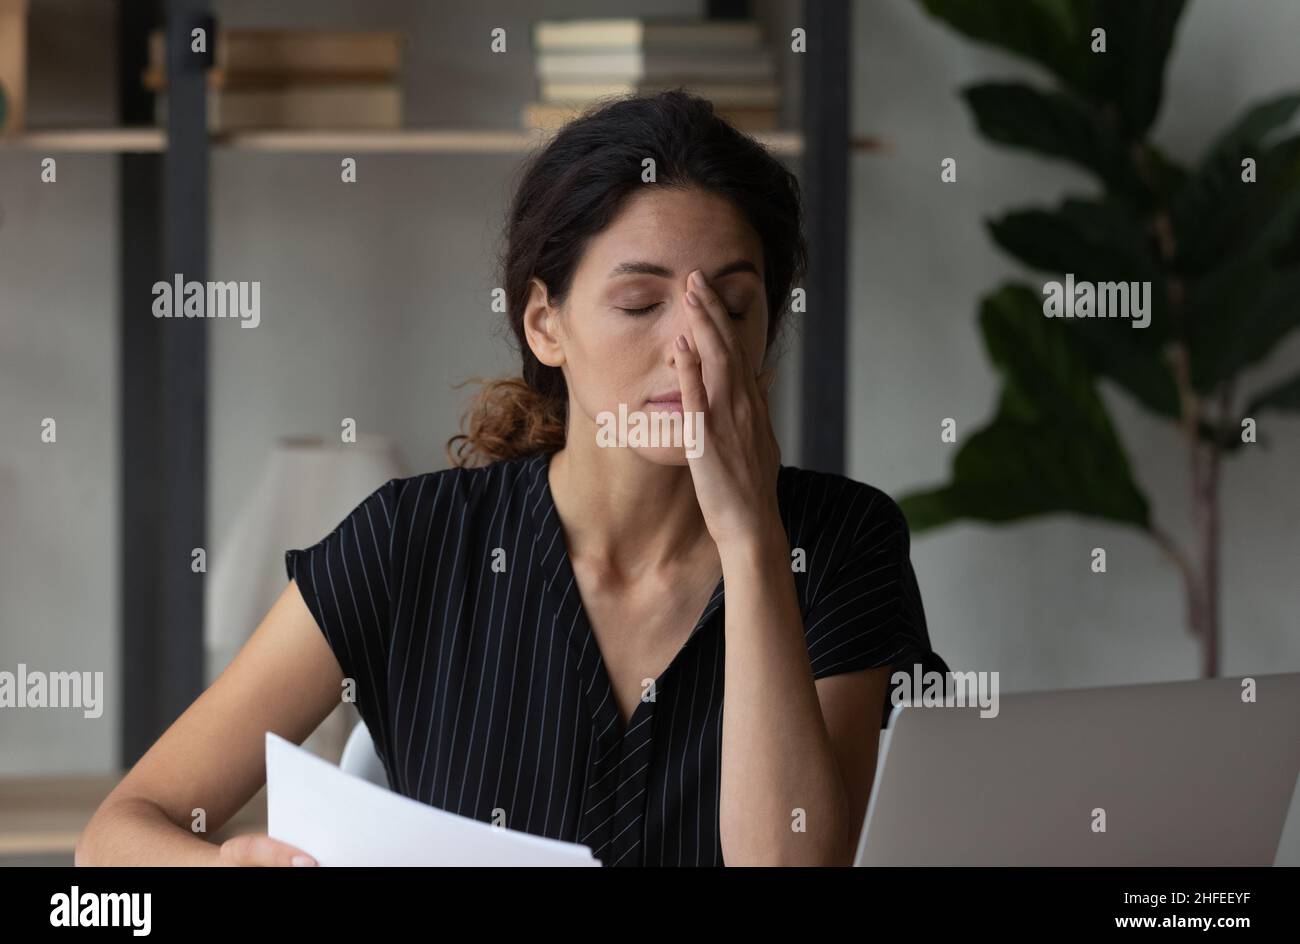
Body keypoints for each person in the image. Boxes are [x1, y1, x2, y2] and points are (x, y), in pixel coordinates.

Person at [76, 90, 946, 868]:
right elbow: (119, 833)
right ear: (545, 324)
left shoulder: (837, 543)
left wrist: (752, 537)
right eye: (641, 305)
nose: (690, 351)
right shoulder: (411, 543)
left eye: (732, 305)